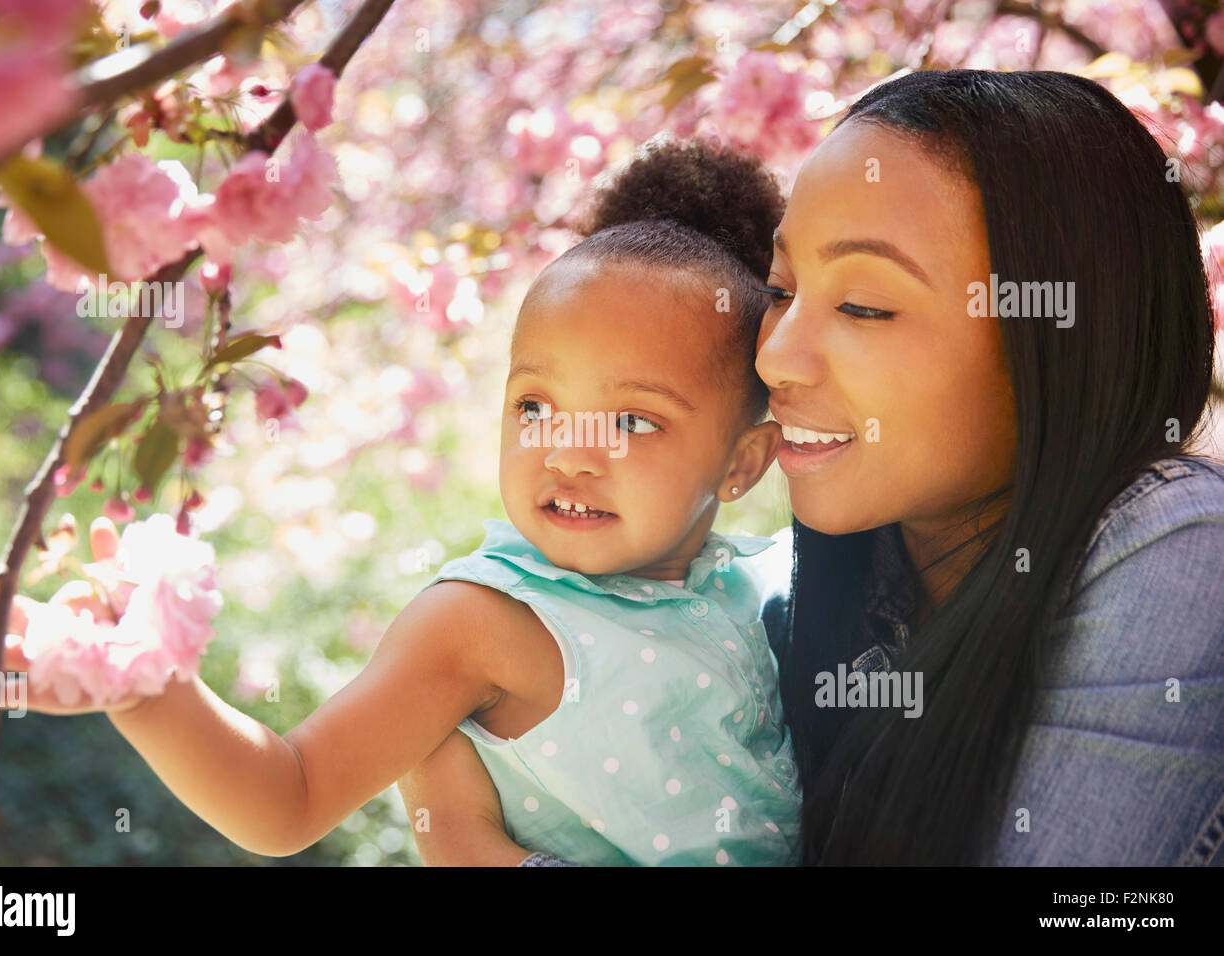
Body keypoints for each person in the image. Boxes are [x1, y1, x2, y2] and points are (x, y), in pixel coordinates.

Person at [401, 69, 1224, 866]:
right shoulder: (802, 597)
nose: (777, 358)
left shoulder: (1178, 547)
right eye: (782, 291)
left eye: (864, 305)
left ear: (1055, 335)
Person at [0, 138, 807, 866]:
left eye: (632, 419)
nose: (570, 452)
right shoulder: (484, 624)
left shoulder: (762, 585)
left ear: (744, 463)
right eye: (536, 407)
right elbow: (288, 796)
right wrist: (144, 691)